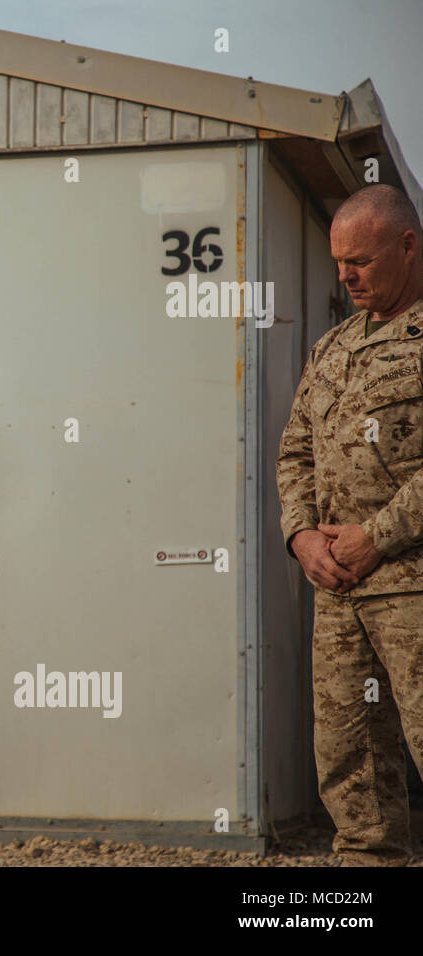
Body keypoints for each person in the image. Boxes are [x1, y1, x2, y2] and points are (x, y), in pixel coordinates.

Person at [276, 183, 423, 866]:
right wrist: (302, 534)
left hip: (410, 589)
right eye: (339, 263)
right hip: (339, 595)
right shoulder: (331, 347)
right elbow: (296, 448)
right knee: (349, 768)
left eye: (360, 260)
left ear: (408, 246)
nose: (345, 275)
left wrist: (378, 534)